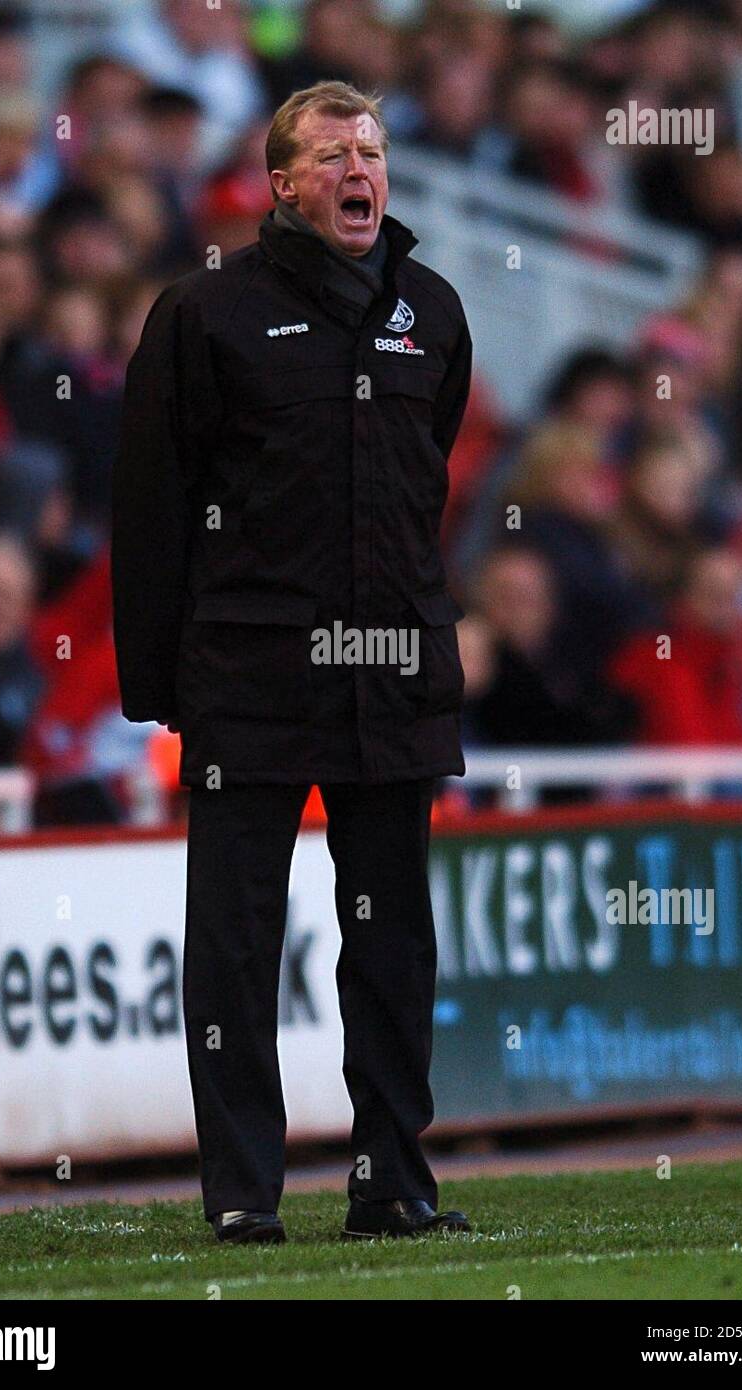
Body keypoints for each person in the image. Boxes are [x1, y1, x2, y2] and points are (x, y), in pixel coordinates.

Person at [112, 81, 473, 1245]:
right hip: (250, 676)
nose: (357, 167)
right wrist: (157, 689)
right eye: (330, 153)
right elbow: (153, 509)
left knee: (393, 941)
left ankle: (392, 1183)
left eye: (370, 148)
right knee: (235, 943)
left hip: (393, 675)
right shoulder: (205, 312)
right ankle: (242, 1193)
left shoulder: (433, 309)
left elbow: (432, 475)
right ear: (282, 184)